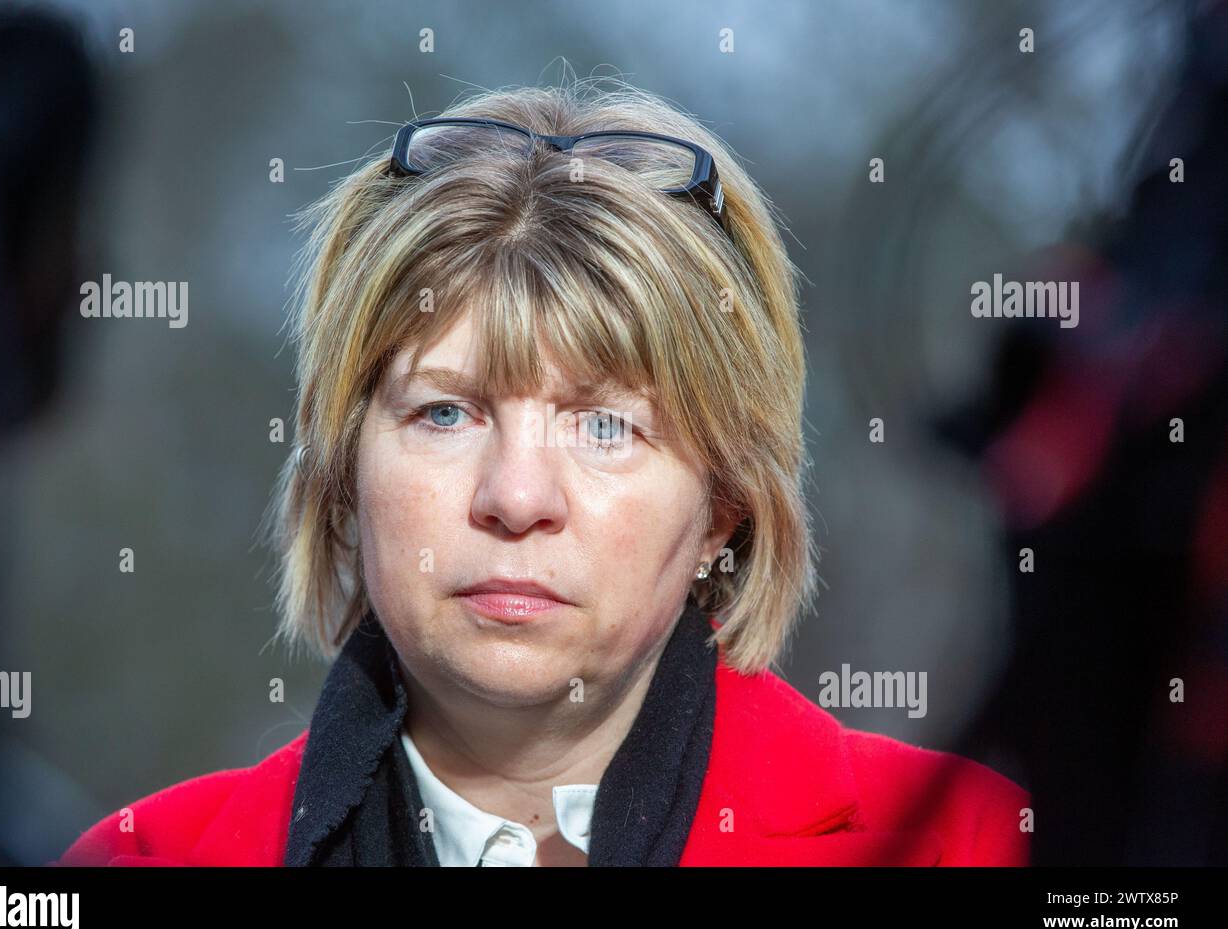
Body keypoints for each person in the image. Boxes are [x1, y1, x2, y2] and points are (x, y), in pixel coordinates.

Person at [56, 78, 1031, 867]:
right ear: (345, 474)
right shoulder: (140, 861)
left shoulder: (966, 845)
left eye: (605, 425)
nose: (516, 496)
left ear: (726, 505)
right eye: (445, 411)